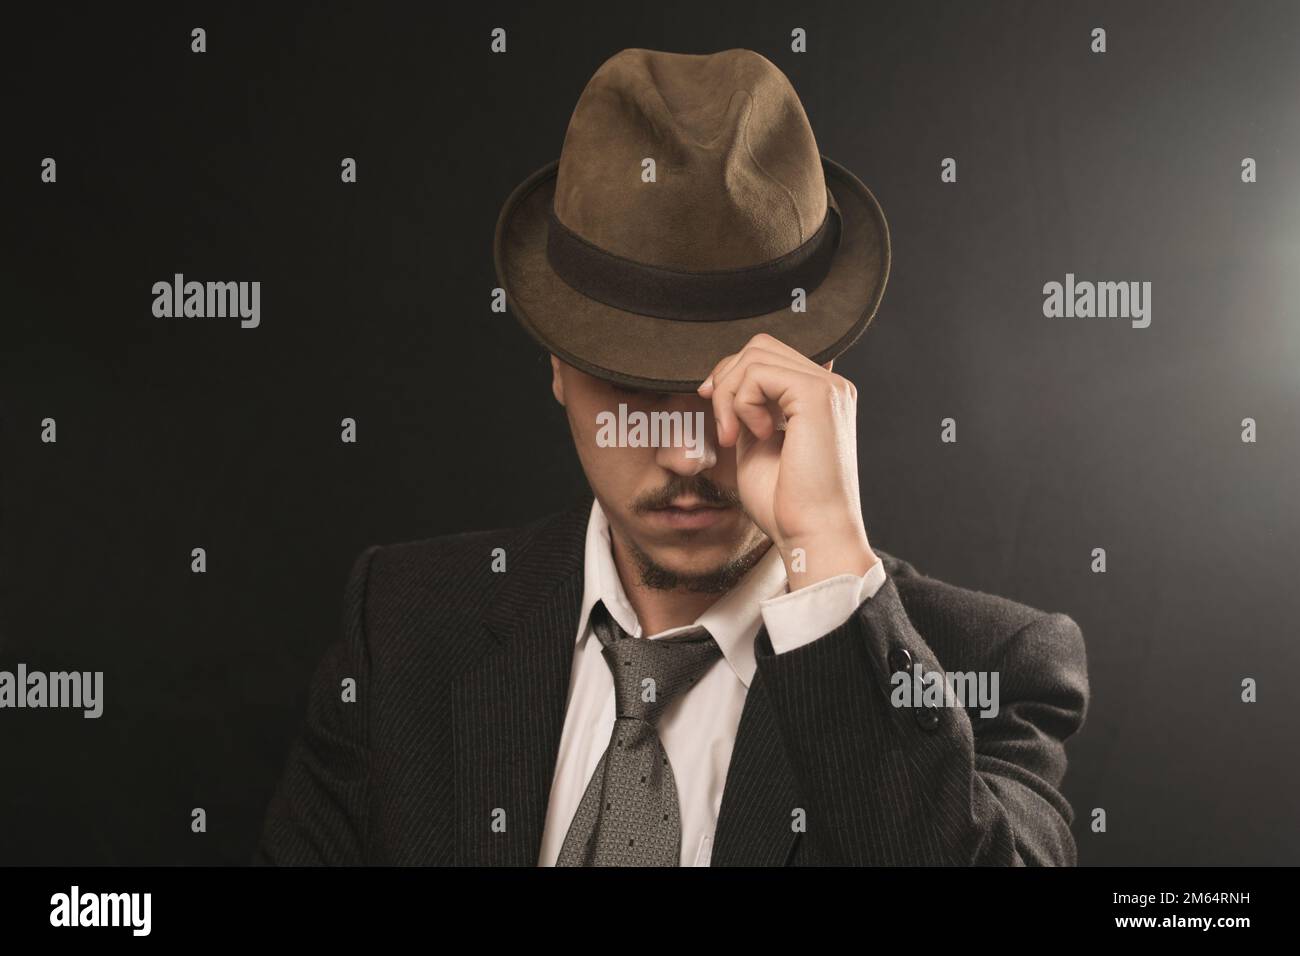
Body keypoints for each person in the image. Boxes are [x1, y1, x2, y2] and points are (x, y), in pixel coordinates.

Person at [254, 46, 1089, 867]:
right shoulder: (404, 629)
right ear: (557, 363)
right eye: (634, 389)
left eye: (733, 392)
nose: (689, 453)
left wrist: (828, 559)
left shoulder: (989, 670)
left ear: (818, 374)